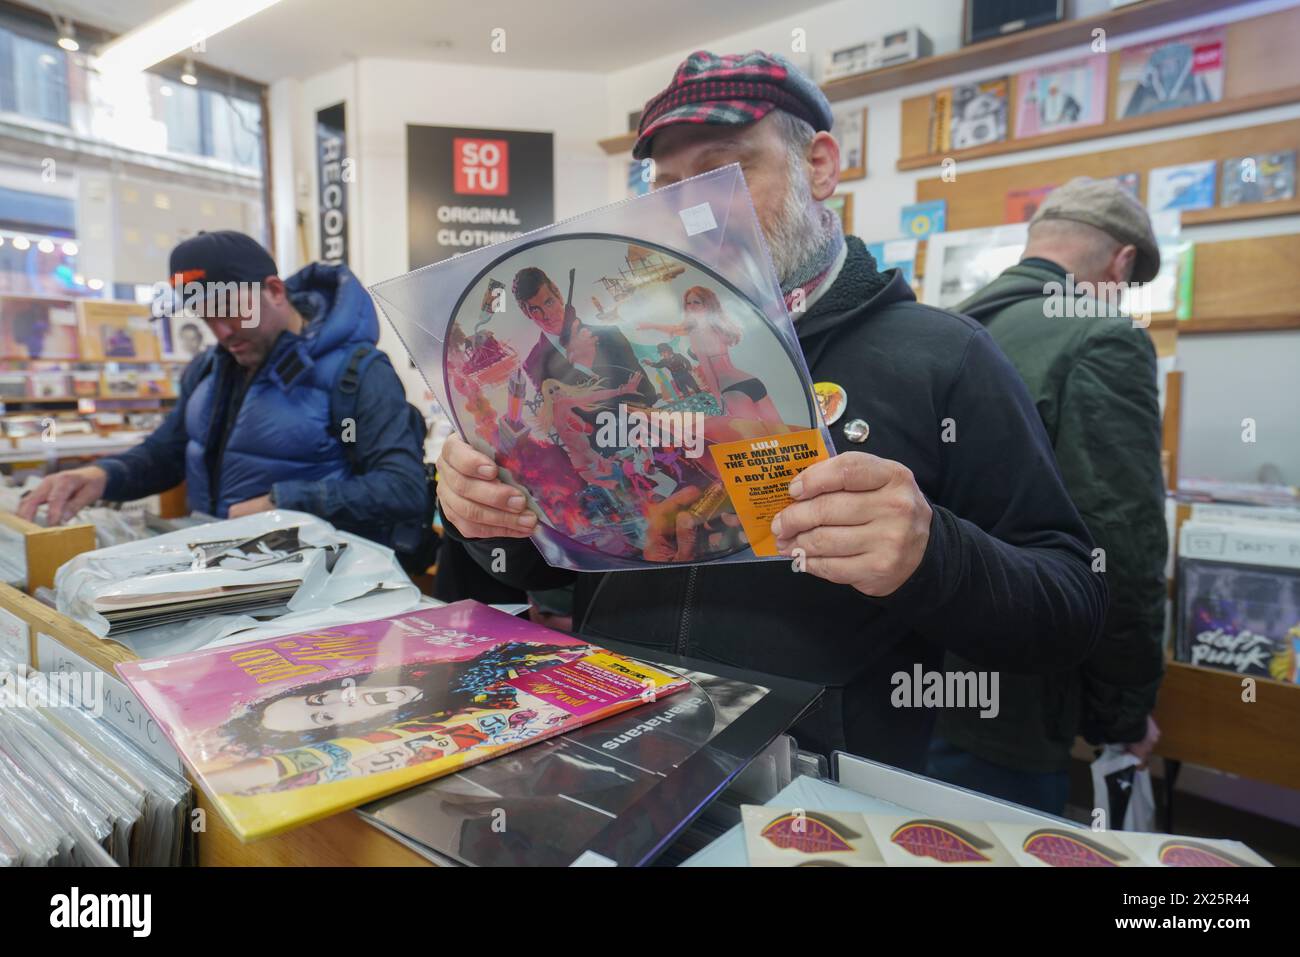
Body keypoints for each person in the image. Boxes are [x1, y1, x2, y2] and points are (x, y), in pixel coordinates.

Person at [434, 51, 1107, 771]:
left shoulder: (944, 357)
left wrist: (931, 553)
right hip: (619, 762)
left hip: (820, 804)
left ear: (819, 164)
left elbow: (1068, 606)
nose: (690, 212)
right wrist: (487, 520)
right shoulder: (628, 354)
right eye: (667, 188)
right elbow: (558, 576)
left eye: (725, 173)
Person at [929, 178, 1167, 813]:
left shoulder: (943, 330)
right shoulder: (1102, 336)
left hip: (909, 680)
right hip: (1015, 697)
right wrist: (1124, 711)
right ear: (1121, 263)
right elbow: (1120, 537)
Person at [19, 231, 431, 562]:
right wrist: (102, 476)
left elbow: (402, 488)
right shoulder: (209, 368)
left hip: (328, 592)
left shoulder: (358, 372)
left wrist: (282, 502)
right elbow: (168, 452)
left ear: (273, 290)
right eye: (205, 317)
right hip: (224, 580)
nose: (221, 332)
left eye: (230, 310)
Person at [514, 266, 658, 406]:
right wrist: (583, 368)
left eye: (549, 302)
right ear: (526, 314)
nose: (547, 315)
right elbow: (556, 419)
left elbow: (648, 394)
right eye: (535, 310)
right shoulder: (533, 364)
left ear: (558, 294)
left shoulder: (609, 335)